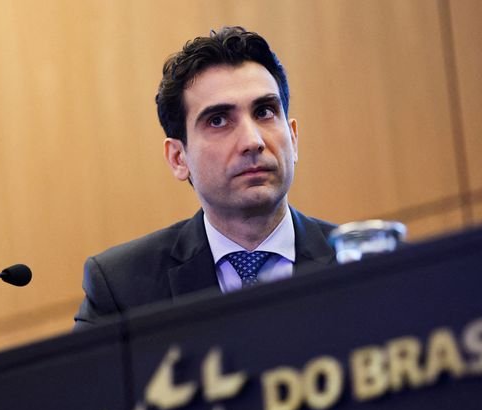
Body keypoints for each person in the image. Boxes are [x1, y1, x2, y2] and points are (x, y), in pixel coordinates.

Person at [74, 26, 335, 330]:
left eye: (264, 111)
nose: (252, 141)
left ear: (293, 137)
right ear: (178, 158)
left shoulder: (367, 261)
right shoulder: (121, 290)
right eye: (218, 120)